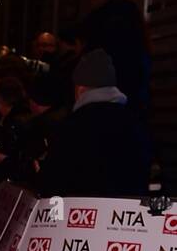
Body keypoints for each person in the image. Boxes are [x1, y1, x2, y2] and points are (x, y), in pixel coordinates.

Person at [38, 49, 151, 198]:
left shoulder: (71, 126)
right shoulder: (135, 122)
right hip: (125, 217)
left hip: (80, 215)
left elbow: (53, 181)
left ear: (80, 89)